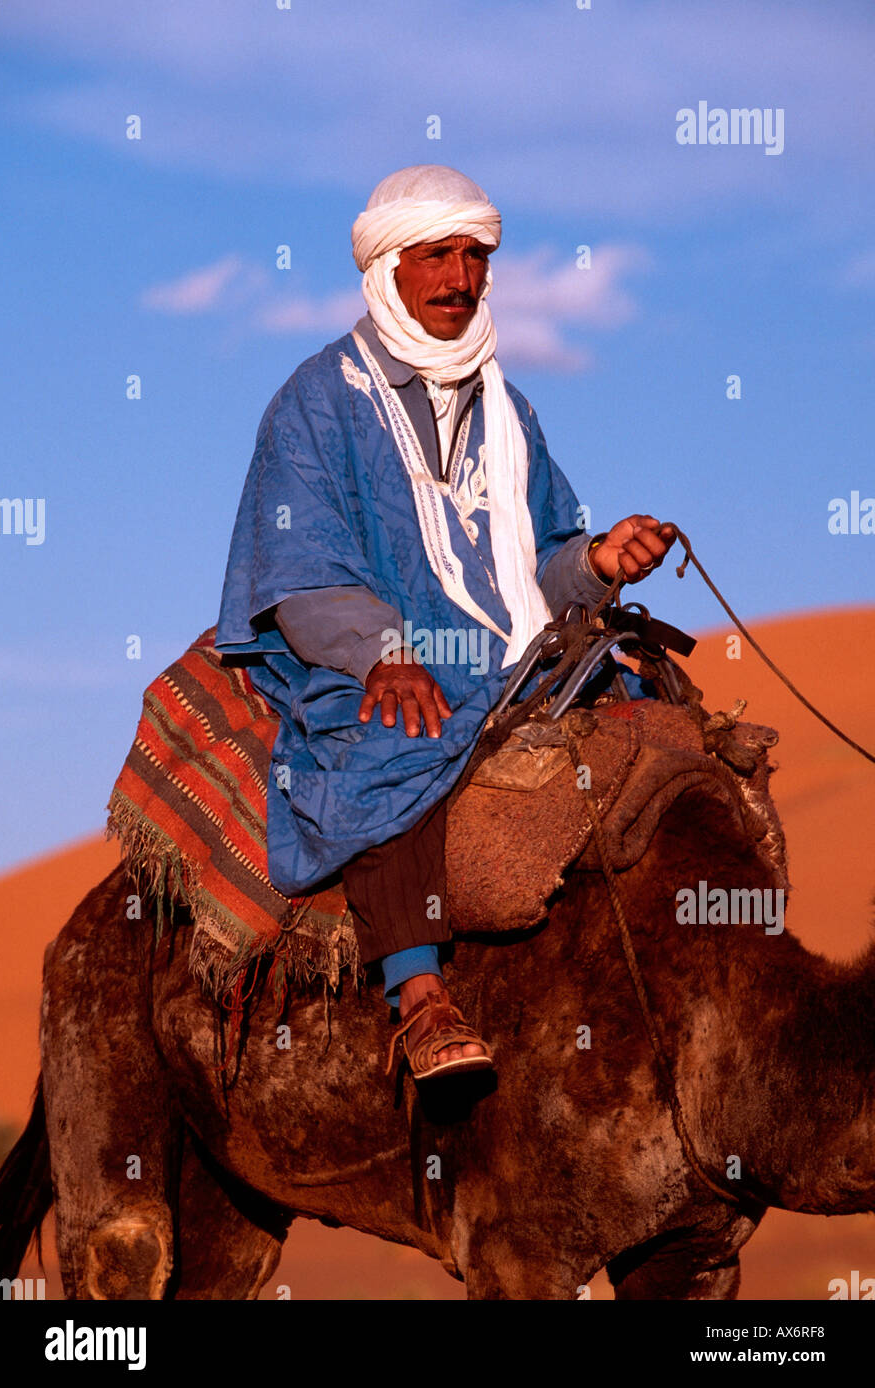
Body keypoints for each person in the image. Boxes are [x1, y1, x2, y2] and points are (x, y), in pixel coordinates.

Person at [215, 164, 674, 1084]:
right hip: (368, 651)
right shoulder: (316, 402)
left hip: (509, 651)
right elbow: (302, 569)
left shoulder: (509, 408)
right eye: (438, 256)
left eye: (475, 256)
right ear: (388, 267)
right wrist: (385, 652)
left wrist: (596, 564)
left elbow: (543, 555)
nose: (460, 278)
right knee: (387, 738)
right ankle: (418, 994)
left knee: (652, 699)